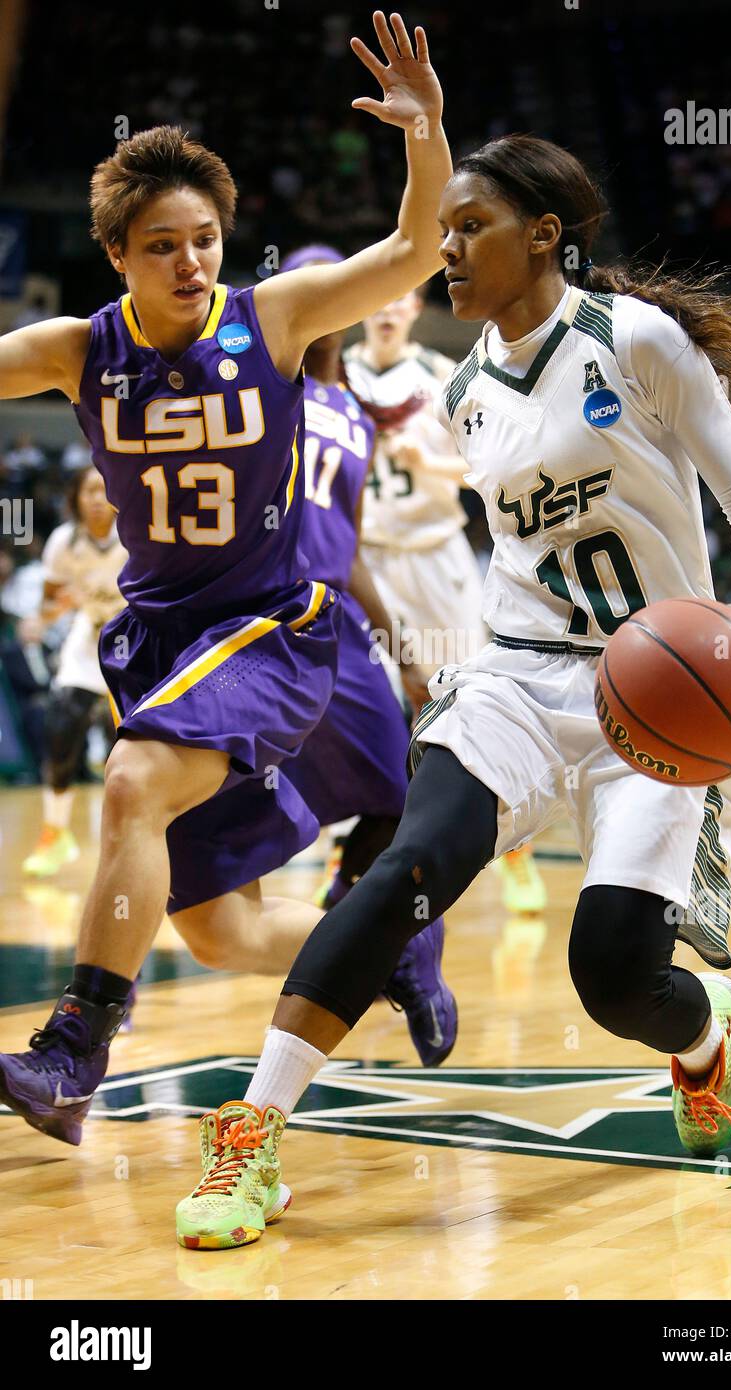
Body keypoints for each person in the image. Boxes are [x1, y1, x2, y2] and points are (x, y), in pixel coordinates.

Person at [175, 133, 731, 1251]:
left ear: (544, 235)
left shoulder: (634, 342)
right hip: (514, 670)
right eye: (442, 229)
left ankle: (701, 1039)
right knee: (407, 865)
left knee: (612, 974)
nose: (447, 249)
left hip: (653, 690)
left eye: (471, 229)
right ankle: (251, 1133)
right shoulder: (465, 391)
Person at [0, 11, 451, 1147]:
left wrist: (427, 135)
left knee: (131, 788)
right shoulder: (78, 349)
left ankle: (74, 1052)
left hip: (272, 626)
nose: (190, 261)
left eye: (204, 237)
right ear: (117, 256)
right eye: (162, 244)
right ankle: (383, 943)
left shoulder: (275, 317)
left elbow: (410, 254)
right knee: (217, 930)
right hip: (160, 634)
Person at [170, 242, 457, 1074]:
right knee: (203, 816)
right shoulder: (261, 385)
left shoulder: (356, 413)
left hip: (331, 617)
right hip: (252, 620)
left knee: (402, 807)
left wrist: (401, 643)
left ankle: (404, 958)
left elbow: (350, 540)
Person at [345, 288, 548, 911]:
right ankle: (356, 845)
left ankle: (515, 852)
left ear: (414, 309)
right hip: (368, 558)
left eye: (399, 301)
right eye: (379, 301)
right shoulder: (335, 375)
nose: (386, 310)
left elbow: (486, 470)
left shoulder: (444, 376)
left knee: (473, 700)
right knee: (364, 703)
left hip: (436, 554)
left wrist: (426, 464)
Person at [23, 466, 126, 877]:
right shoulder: (63, 543)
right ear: (76, 497)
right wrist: (45, 617)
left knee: (134, 747)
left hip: (134, 640)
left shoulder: (136, 536)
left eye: (105, 489)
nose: (97, 498)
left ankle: (154, 840)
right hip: (89, 638)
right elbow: (49, 603)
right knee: (61, 727)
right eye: (89, 490)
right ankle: (55, 834)